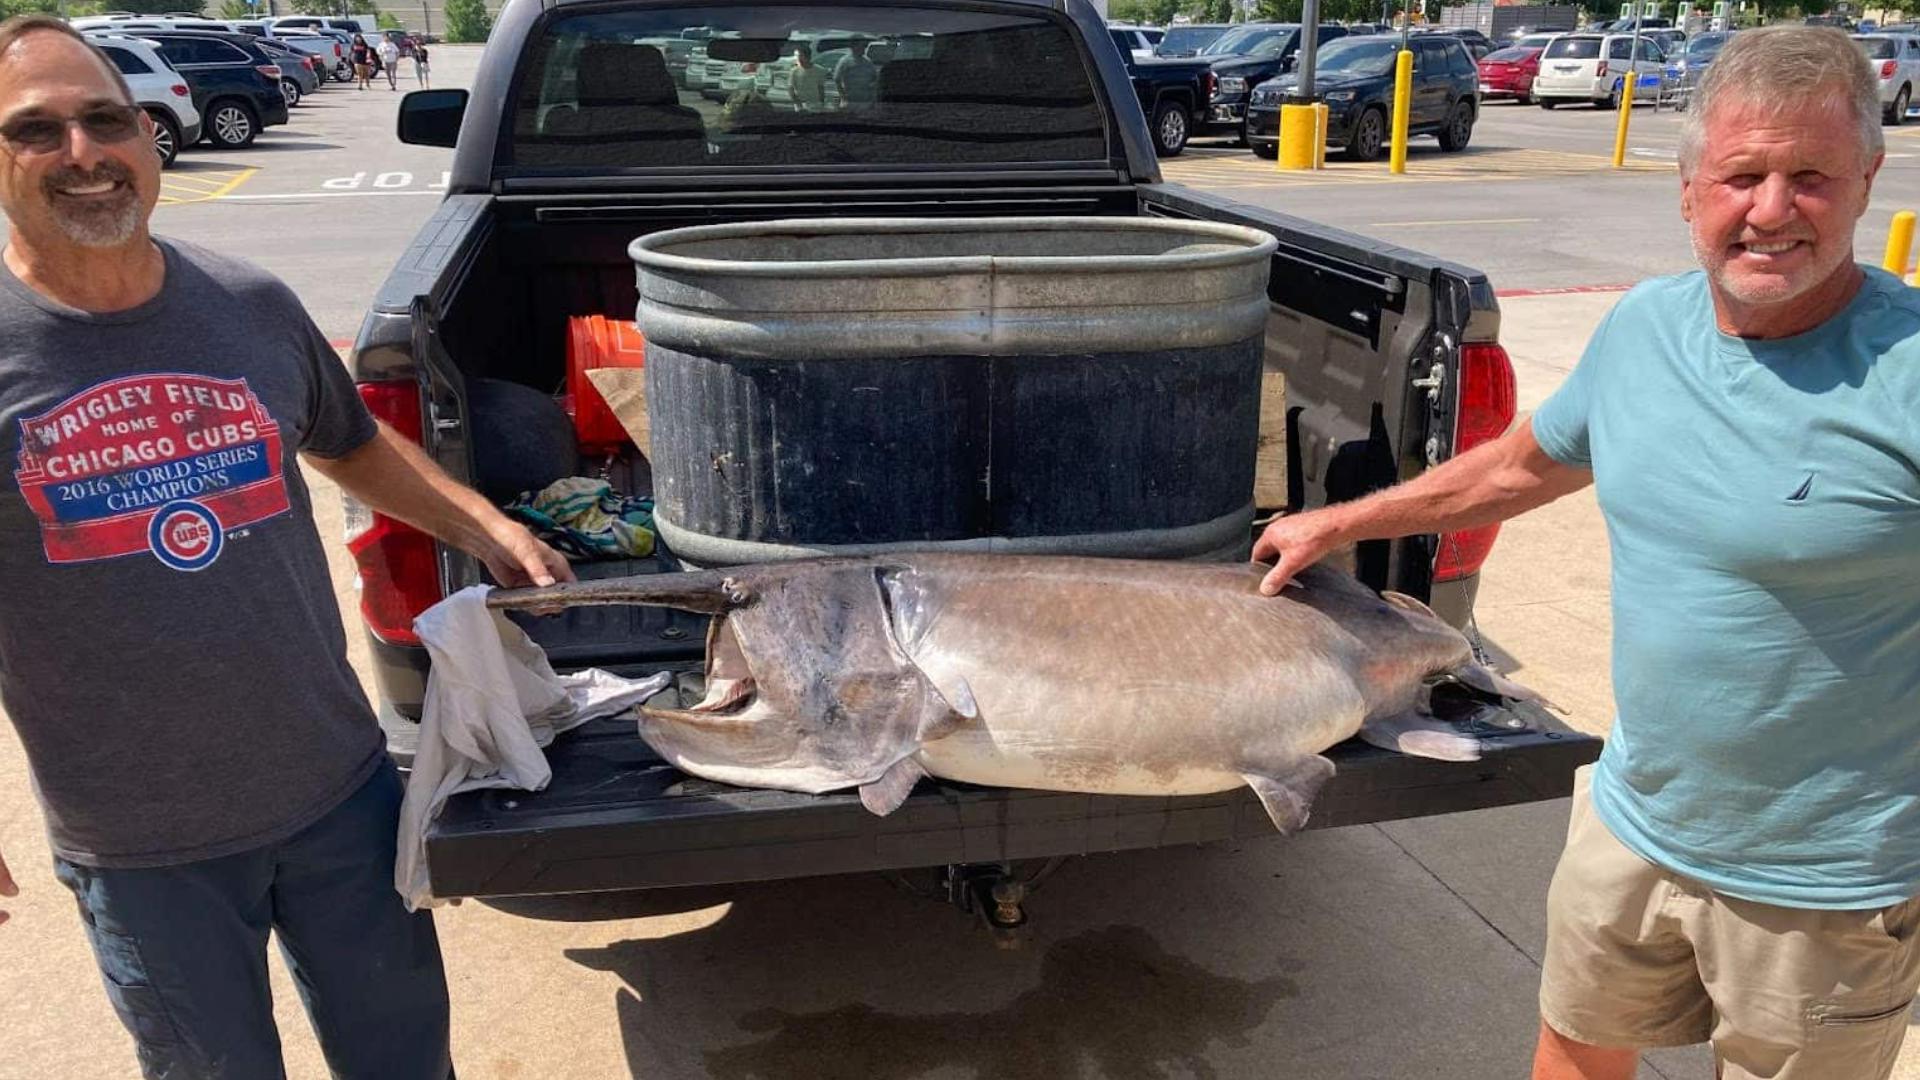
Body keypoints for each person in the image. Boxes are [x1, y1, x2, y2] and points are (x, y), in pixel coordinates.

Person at [1253, 26, 1920, 1080]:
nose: (1773, 210)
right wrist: (1338, 525)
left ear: (1869, 179)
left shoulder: (1908, 370)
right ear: (1691, 186)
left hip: (1823, 880)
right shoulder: (1645, 329)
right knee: (1570, 1049)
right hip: (1636, 818)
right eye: (1744, 175)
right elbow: (1517, 467)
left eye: (1813, 177)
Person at [0, 15, 574, 1078]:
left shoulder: (245, 304)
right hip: (146, 847)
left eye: (105, 119)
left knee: (404, 1060)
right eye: (37, 130)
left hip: (340, 796)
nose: (83, 153)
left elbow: (352, 441)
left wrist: (484, 524)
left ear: (146, 135)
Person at [834, 36, 878, 111]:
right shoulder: (845, 61)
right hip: (851, 101)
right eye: (861, 45)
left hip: (866, 101)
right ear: (853, 47)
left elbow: (875, 78)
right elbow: (837, 79)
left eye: (864, 46)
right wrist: (843, 98)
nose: (864, 48)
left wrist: (873, 97)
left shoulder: (868, 61)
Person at [788, 43, 826, 110]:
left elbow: (821, 88)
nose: (798, 58)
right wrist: (797, 104)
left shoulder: (819, 70)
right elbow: (791, 89)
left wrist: (821, 102)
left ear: (808, 56)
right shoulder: (794, 71)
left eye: (800, 56)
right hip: (800, 104)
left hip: (815, 104)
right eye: (796, 56)